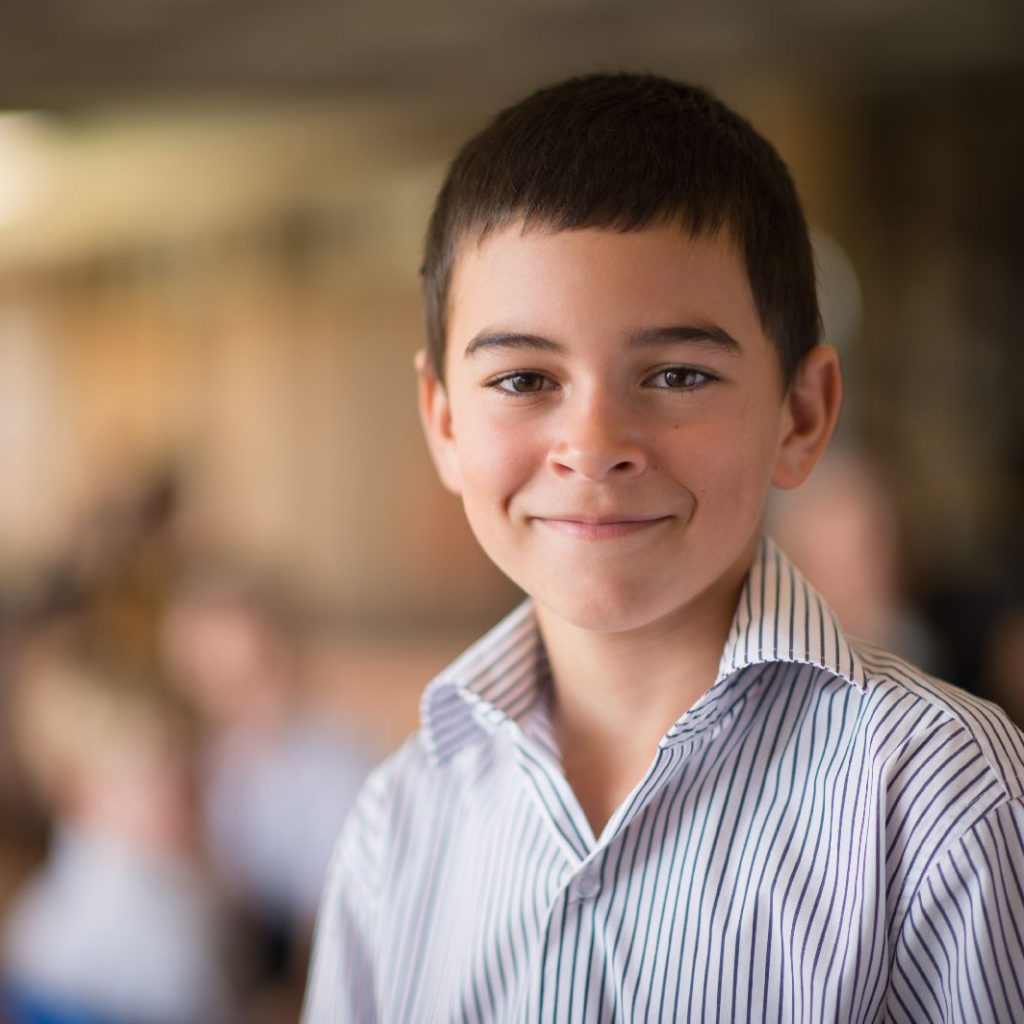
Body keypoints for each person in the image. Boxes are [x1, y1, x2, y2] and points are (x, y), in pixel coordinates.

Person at [302, 73, 1024, 1023]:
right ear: (443, 422)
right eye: (524, 379)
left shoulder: (940, 800)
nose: (595, 446)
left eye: (678, 374)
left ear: (802, 415)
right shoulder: (400, 822)